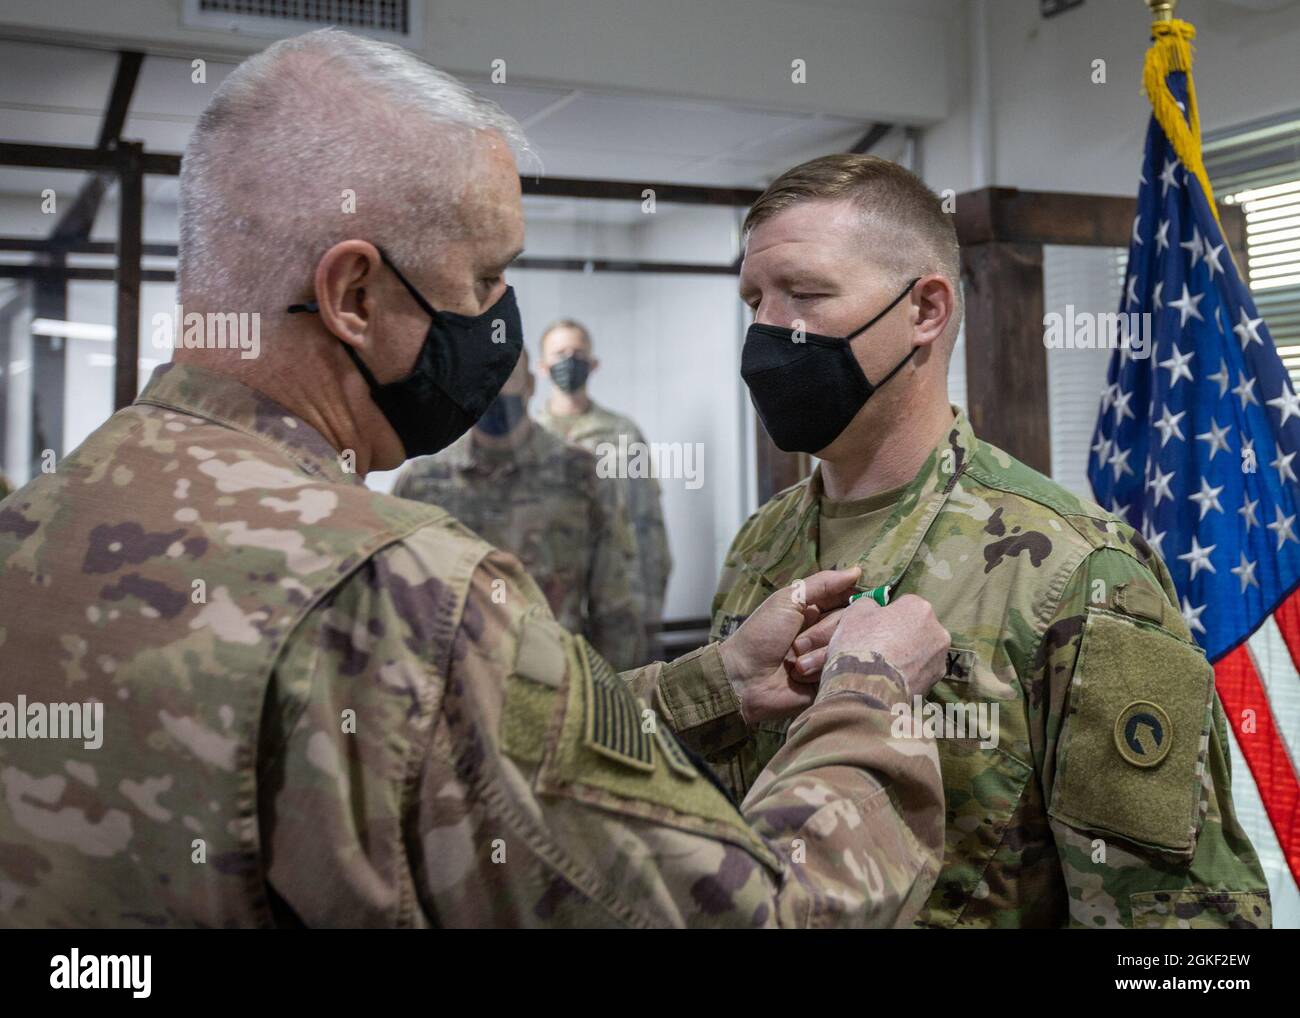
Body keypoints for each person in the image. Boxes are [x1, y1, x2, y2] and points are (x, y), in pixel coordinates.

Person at [0, 30, 948, 929]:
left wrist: (715, 685)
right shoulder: (403, 595)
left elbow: (464, 756)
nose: (503, 321)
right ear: (355, 296)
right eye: (483, 279)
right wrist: (868, 695)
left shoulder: (36, 522)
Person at [681, 153, 1270, 928]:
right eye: (754, 299)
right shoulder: (761, 542)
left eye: (805, 295)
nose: (765, 331)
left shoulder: (1077, 570)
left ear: (925, 310)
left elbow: (1182, 943)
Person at [393, 349, 647, 669]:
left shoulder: (582, 475)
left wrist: (610, 702)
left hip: (557, 681)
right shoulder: (423, 483)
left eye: (507, 375)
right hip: (455, 683)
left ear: (529, 383)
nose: (496, 388)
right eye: (482, 376)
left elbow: (616, 608)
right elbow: (399, 605)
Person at [538, 321, 672, 638]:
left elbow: (648, 521)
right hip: (551, 611)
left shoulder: (623, 434)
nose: (569, 360)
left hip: (620, 604)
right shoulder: (531, 439)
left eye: (578, 352)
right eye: (559, 353)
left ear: (593, 363)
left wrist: (650, 606)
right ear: (543, 367)